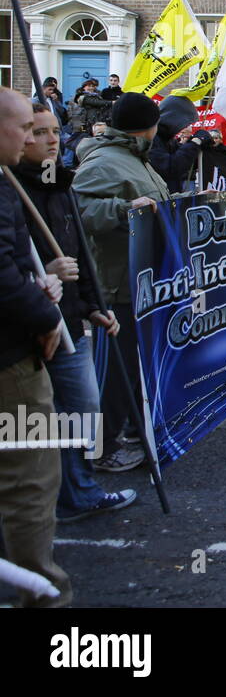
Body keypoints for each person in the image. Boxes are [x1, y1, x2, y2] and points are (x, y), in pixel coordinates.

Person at [16, 103, 135, 523]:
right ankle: (40, 503)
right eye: (39, 131)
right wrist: (42, 273)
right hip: (26, 328)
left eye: (53, 131)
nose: (52, 140)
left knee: (82, 408)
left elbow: (79, 251)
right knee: (29, 423)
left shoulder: (58, 182)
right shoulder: (10, 189)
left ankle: (77, 491)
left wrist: (93, 306)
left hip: (68, 318)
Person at [72, 92, 174, 474]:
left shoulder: (134, 159)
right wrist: (121, 211)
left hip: (142, 284)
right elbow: (79, 211)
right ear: (147, 127)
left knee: (134, 366)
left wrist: (191, 200)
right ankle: (101, 447)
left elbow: (154, 204)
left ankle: (132, 430)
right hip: (117, 286)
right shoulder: (103, 160)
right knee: (114, 373)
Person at [0, 88, 73, 606]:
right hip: (10, 358)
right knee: (31, 479)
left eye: (44, 130)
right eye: (27, 128)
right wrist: (45, 311)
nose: (35, 140)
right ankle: (42, 593)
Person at [149, 94, 212, 193]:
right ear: (173, 117)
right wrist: (195, 142)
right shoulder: (153, 139)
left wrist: (205, 144)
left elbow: (187, 161)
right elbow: (172, 167)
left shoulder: (168, 139)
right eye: (184, 122)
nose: (185, 127)